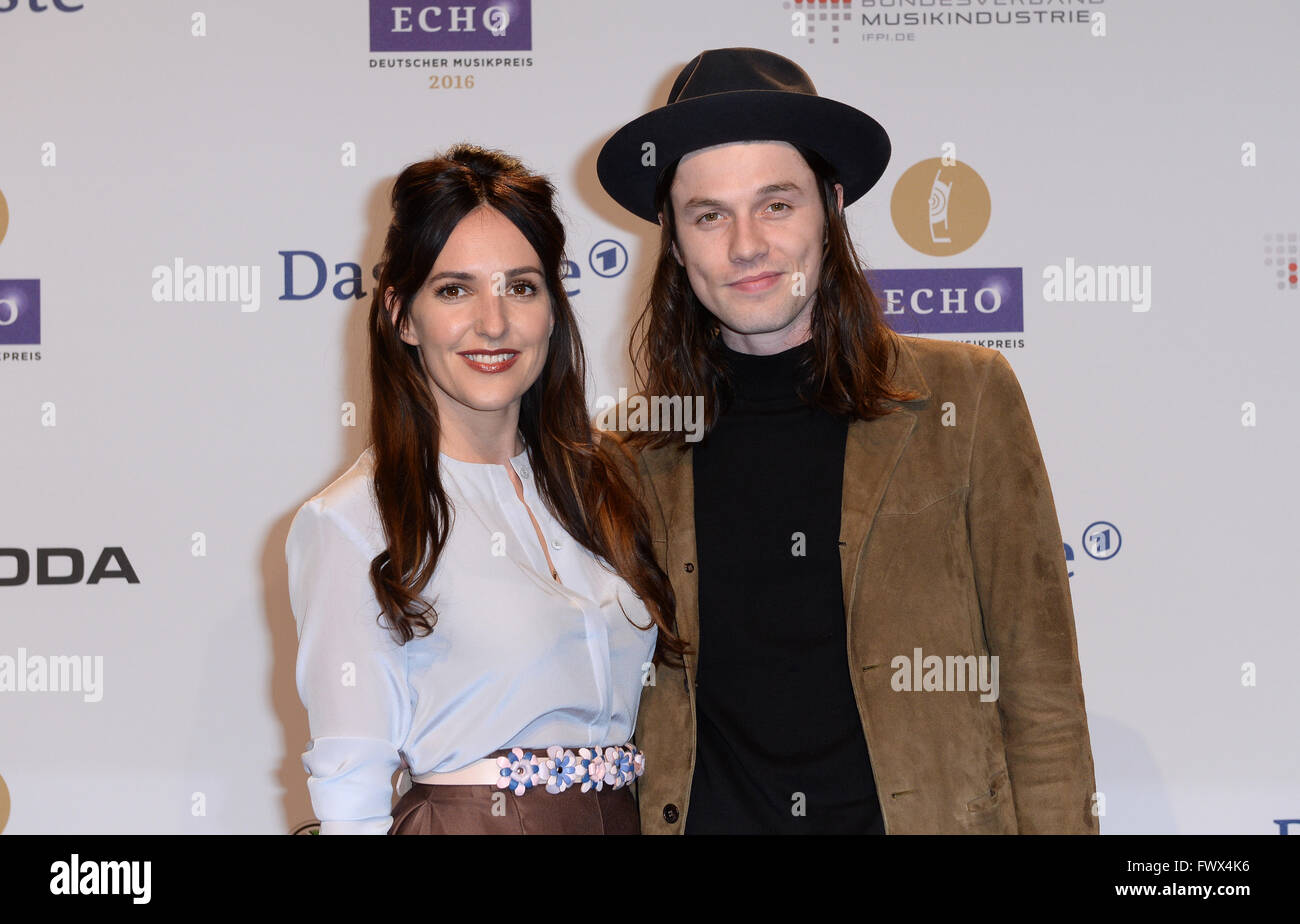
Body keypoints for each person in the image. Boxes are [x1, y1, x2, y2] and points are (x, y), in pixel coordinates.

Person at [596, 48, 1099, 834]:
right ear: (674, 235)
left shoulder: (964, 398)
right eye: (708, 214)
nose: (746, 245)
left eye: (777, 204)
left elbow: (1042, 694)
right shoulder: (634, 456)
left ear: (830, 207)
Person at [285, 143, 681, 835]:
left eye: (522, 287)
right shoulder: (352, 521)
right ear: (401, 315)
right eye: (454, 289)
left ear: (553, 309)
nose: (493, 323)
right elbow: (351, 784)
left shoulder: (605, 485)